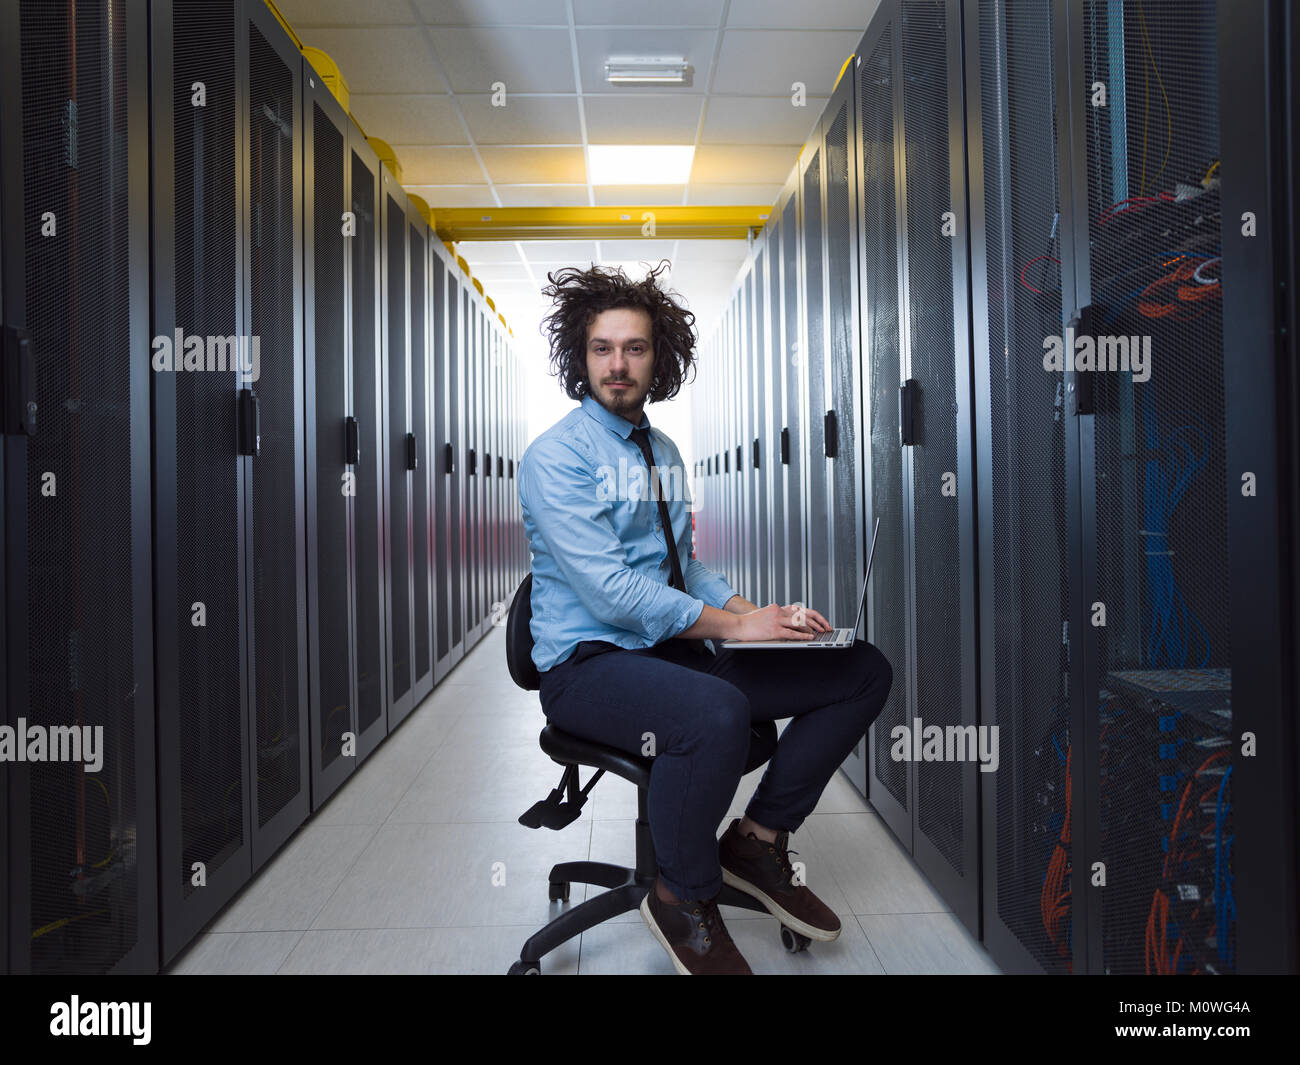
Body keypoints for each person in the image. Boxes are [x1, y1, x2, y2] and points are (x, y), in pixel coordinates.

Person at [517, 261, 892, 975]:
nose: (618, 364)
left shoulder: (662, 452)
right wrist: (732, 630)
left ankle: (756, 840)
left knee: (860, 670)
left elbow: (681, 566)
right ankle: (680, 896)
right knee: (718, 712)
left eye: (635, 347)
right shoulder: (556, 458)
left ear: (660, 357)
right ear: (580, 356)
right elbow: (610, 593)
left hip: (668, 647)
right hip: (588, 664)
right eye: (603, 348)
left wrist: (760, 614)